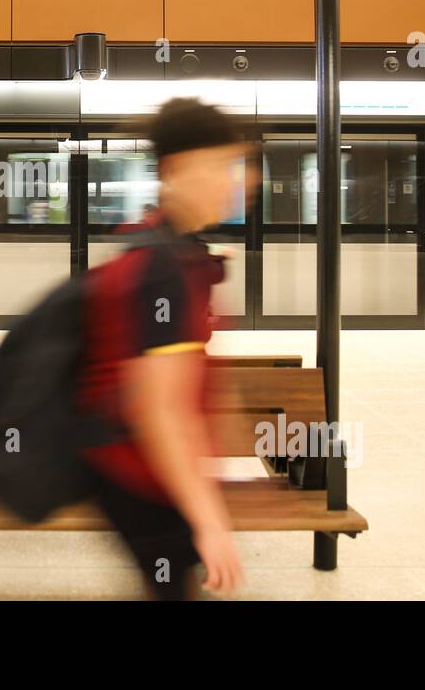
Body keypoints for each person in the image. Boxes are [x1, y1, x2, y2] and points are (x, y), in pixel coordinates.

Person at [78, 98, 259, 600]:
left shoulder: (181, 251)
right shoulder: (162, 268)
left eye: (238, 166)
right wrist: (209, 520)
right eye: (222, 165)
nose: (239, 181)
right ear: (174, 171)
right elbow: (158, 410)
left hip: (154, 473)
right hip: (142, 478)